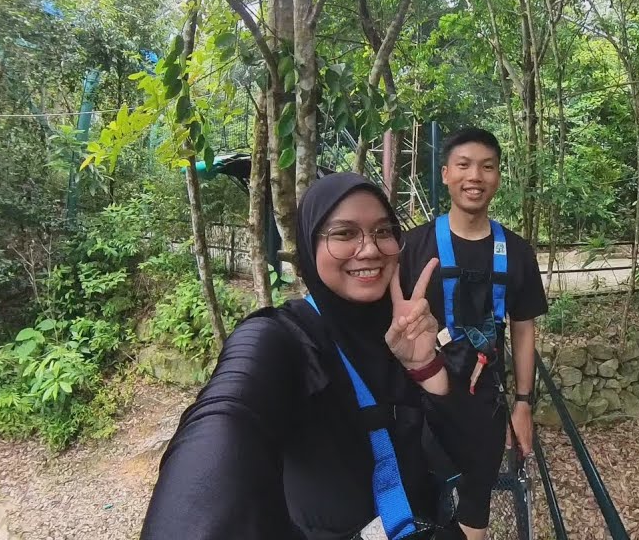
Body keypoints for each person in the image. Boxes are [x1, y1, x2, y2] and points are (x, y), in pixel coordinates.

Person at [140, 173, 466, 540]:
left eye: (383, 231)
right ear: (310, 246)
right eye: (344, 233)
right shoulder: (281, 338)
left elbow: (464, 452)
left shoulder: (407, 326)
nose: (370, 248)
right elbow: (226, 418)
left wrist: (425, 367)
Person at [399, 128, 548, 540]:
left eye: (487, 167)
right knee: (418, 508)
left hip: (484, 407)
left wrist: (523, 402)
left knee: (473, 517)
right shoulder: (413, 247)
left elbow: (522, 329)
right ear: (445, 173)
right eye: (463, 165)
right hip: (419, 405)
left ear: (499, 176)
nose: (475, 176)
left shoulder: (517, 253)